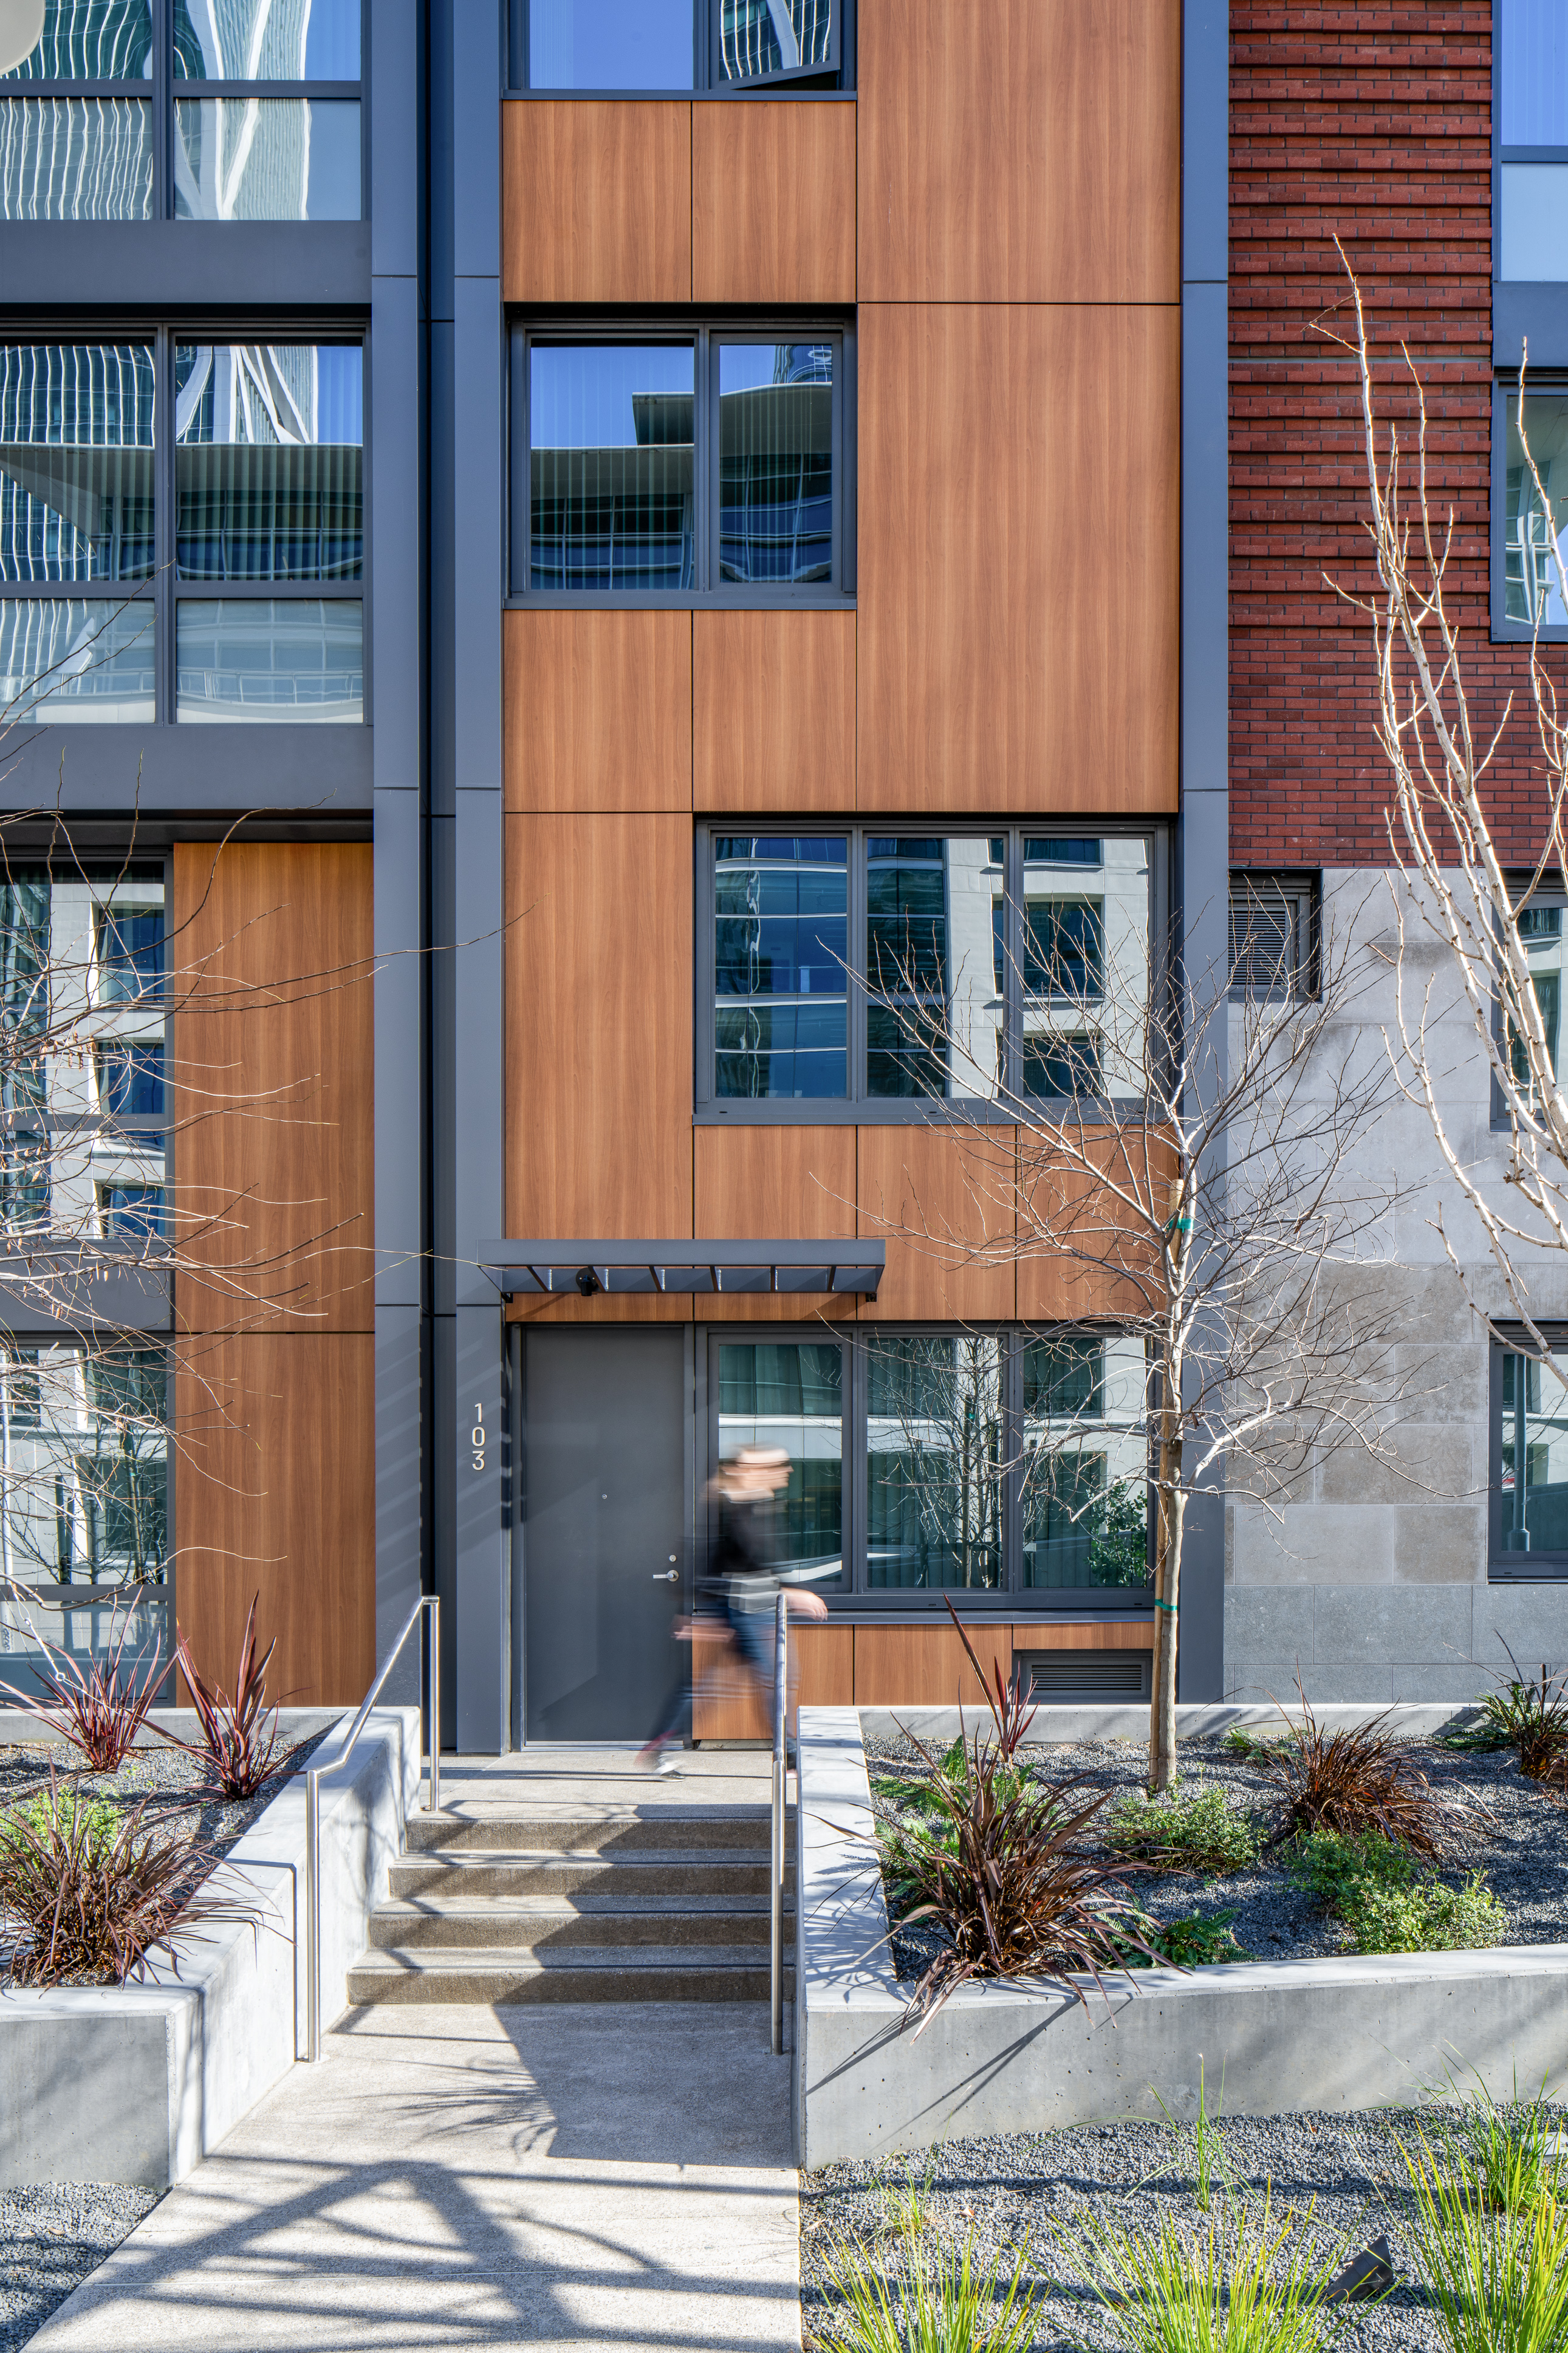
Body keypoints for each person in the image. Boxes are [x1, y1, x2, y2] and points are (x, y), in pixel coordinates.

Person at [637, 1444, 829, 1773]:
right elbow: (734, 1562)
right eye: (778, 1464)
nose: (787, 1469)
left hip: (750, 1608)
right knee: (774, 1680)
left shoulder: (757, 1504)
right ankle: (791, 1755)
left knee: (721, 1685)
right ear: (753, 1469)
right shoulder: (737, 1508)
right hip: (749, 1610)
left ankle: (657, 1747)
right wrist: (790, 1593)